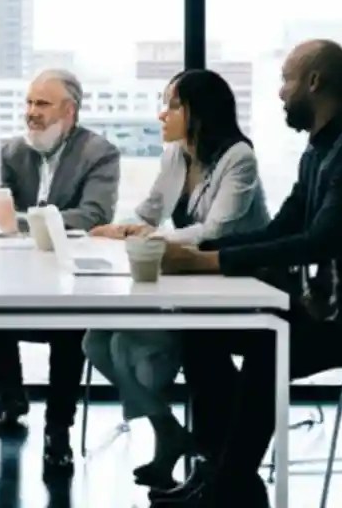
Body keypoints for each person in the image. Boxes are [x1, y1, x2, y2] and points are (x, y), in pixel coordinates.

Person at [151, 41, 342, 507]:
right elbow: (282, 229)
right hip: (337, 314)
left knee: (268, 346)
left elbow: (318, 242)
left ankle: (229, 486)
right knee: (203, 331)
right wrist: (203, 249)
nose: (280, 92)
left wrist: (208, 261)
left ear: (314, 82)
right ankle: (219, 471)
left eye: (286, 79)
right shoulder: (319, 152)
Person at [84, 69, 270, 489]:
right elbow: (150, 211)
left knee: (165, 345)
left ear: (199, 112)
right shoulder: (176, 153)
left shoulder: (239, 157)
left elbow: (216, 230)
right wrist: (122, 228)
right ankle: (169, 431)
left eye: (172, 104)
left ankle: (213, 456)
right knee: (96, 339)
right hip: (194, 277)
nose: (161, 114)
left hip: (243, 281)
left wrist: (148, 234)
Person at [0, 69, 120, 473]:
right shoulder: (12, 151)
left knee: (69, 327)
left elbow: (93, 215)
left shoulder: (99, 153)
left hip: (72, 269)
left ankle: (59, 428)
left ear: (69, 110)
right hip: (18, 268)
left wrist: (19, 221)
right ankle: (11, 398)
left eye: (42, 104)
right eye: (28, 103)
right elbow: (2, 216)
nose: (31, 113)